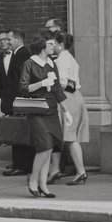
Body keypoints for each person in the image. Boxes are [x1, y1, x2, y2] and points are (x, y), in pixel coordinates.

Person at [18, 31, 71, 198]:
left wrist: (66, 110)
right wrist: (41, 83)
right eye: (50, 44)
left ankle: (43, 185)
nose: (53, 46)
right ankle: (33, 180)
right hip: (36, 110)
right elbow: (23, 87)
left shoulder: (51, 63)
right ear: (42, 45)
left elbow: (56, 89)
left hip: (51, 110)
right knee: (45, 145)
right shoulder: (29, 64)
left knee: (49, 148)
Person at [46, 31, 89, 186]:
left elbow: (64, 82)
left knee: (70, 138)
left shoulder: (63, 59)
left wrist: (50, 80)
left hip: (68, 98)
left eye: (53, 44)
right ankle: (56, 169)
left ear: (60, 45)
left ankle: (81, 171)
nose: (52, 46)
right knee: (63, 136)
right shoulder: (69, 58)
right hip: (72, 97)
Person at [0, 29, 33, 177]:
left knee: (19, 132)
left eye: (10, 39)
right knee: (18, 132)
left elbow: (21, 80)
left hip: (19, 100)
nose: (7, 42)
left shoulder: (21, 54)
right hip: (15, 100)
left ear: (17, 39)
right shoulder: (19, 54)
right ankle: (20, 163)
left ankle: (21, 165)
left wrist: (19, 100)